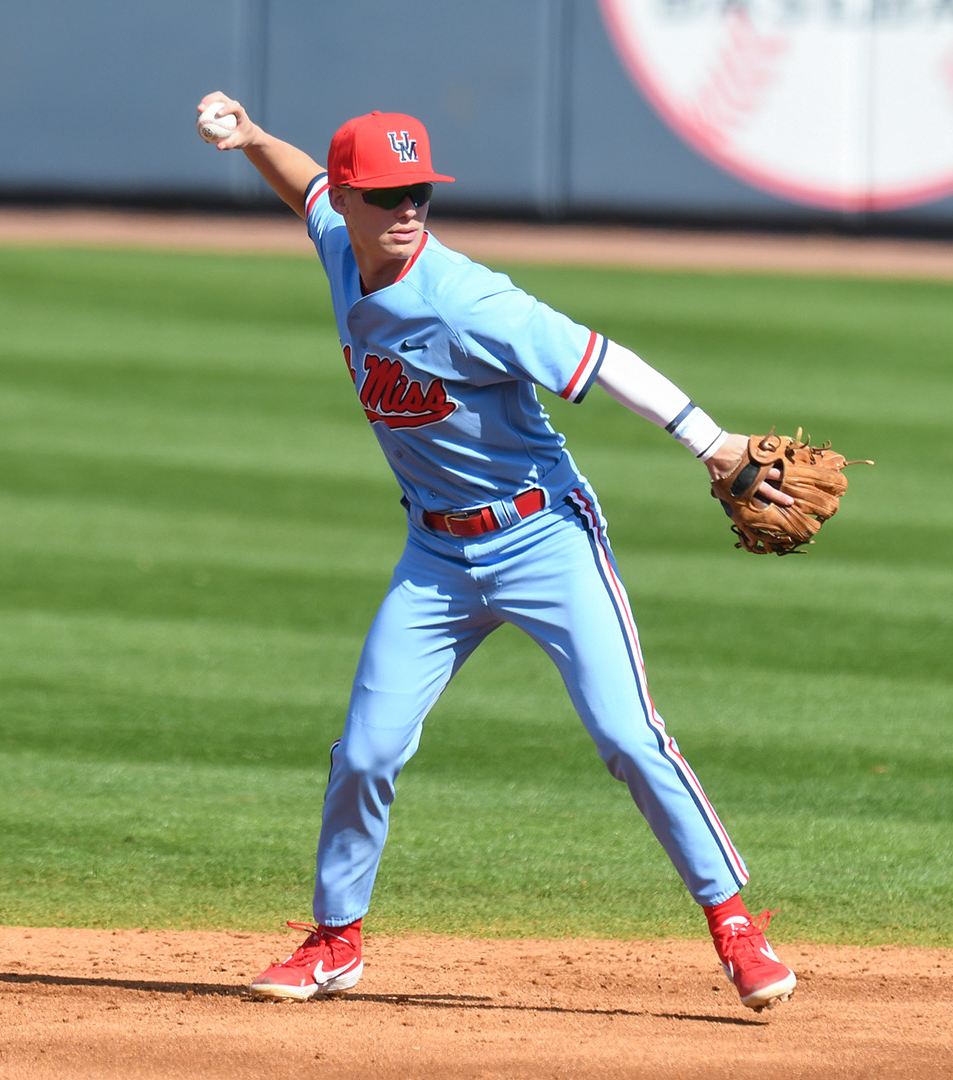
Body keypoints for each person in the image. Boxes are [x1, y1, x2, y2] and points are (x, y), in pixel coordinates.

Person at [197, 91, 798, 1012]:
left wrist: (712, 444)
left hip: (543, 538)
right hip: (434, 558)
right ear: (354, 200)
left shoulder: (470, 298)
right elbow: (302, 184)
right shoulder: (337, 240)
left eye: (421, 194)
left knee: (627, 736)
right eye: (389, 194)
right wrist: (249, 139)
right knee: (365, 750)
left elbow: (604, 361)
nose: (408, 210)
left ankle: (735, 925)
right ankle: (334, 940)